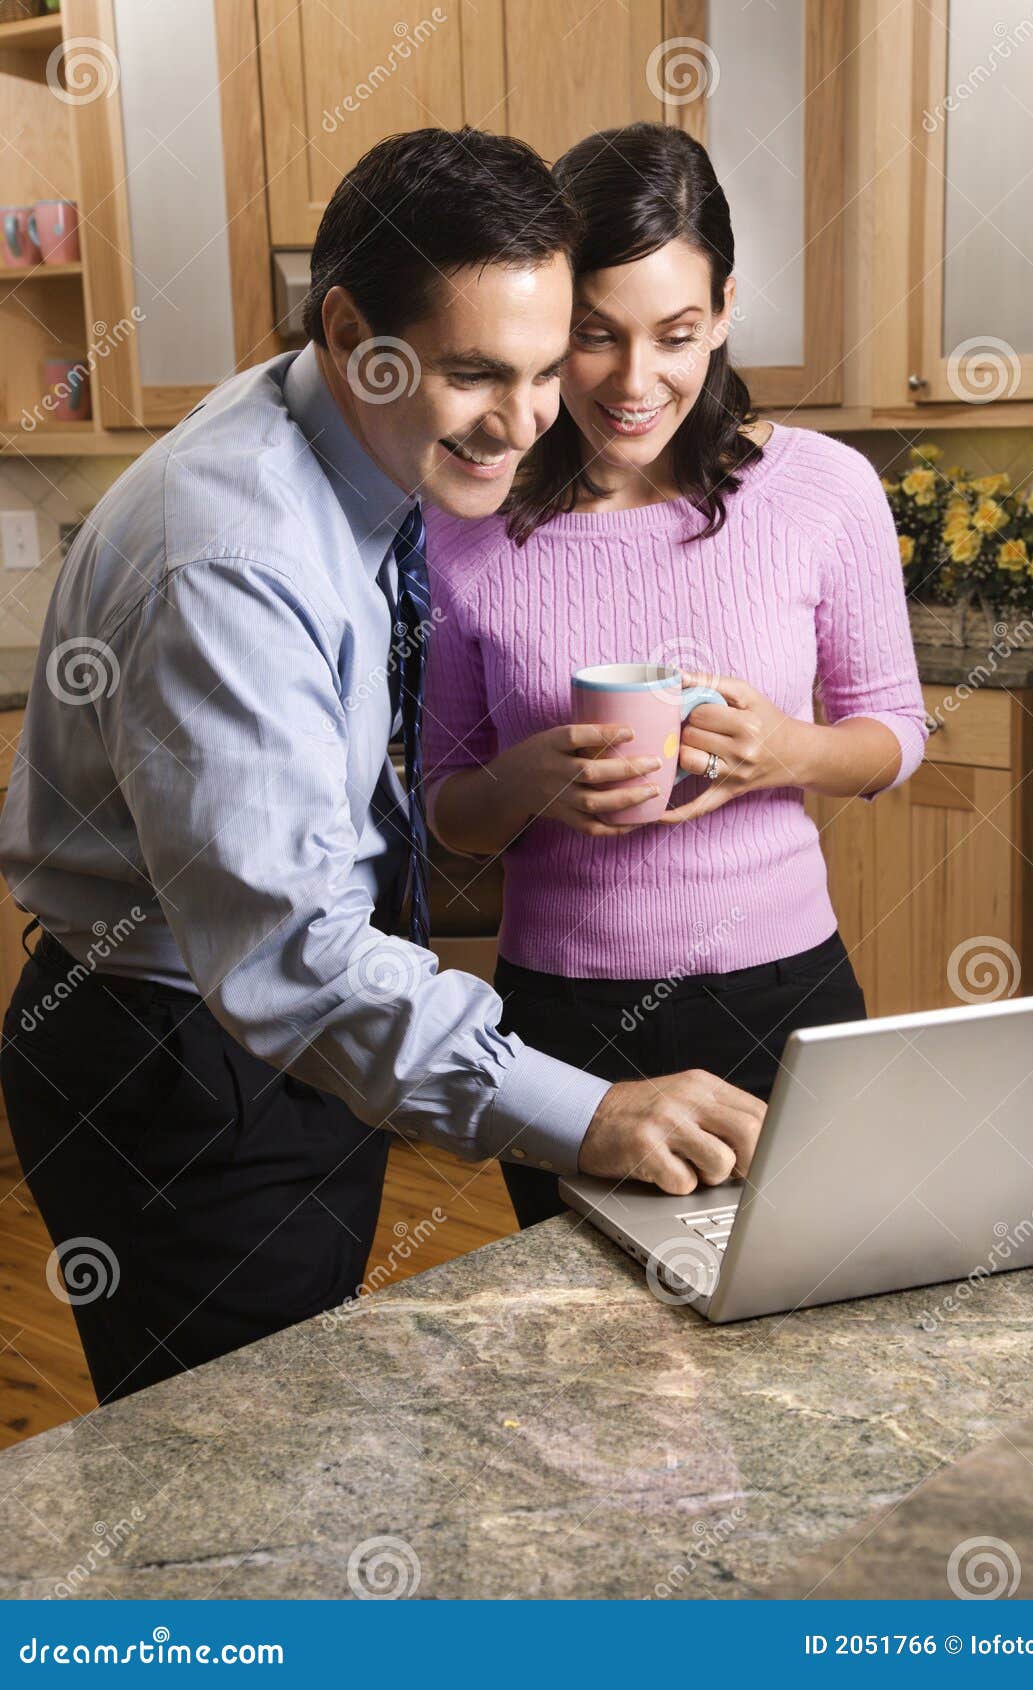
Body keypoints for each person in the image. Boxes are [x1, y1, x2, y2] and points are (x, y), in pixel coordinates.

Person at [0, 127, 765, 1404]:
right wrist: (590, 1113)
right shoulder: (234, 561)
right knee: (242, 1473)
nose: (523, 421)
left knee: (299, 1426)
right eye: (477, 374)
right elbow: (293, 960)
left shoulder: (348, 433)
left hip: (258, 1035)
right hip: (183, 1061)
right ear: (352, 328)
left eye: (537, 370)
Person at [423, 122, 928, 1230]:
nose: (635, 381)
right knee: (586, 1348)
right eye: (595, 336)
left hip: (781, 989)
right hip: (558, 1024)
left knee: (802, 1320)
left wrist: (788, 752)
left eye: (677, 333)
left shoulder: (822, 491)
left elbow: (894, 731)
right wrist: (526, 784)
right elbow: (449, 810)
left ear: (726, 310)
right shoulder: (464, 525)